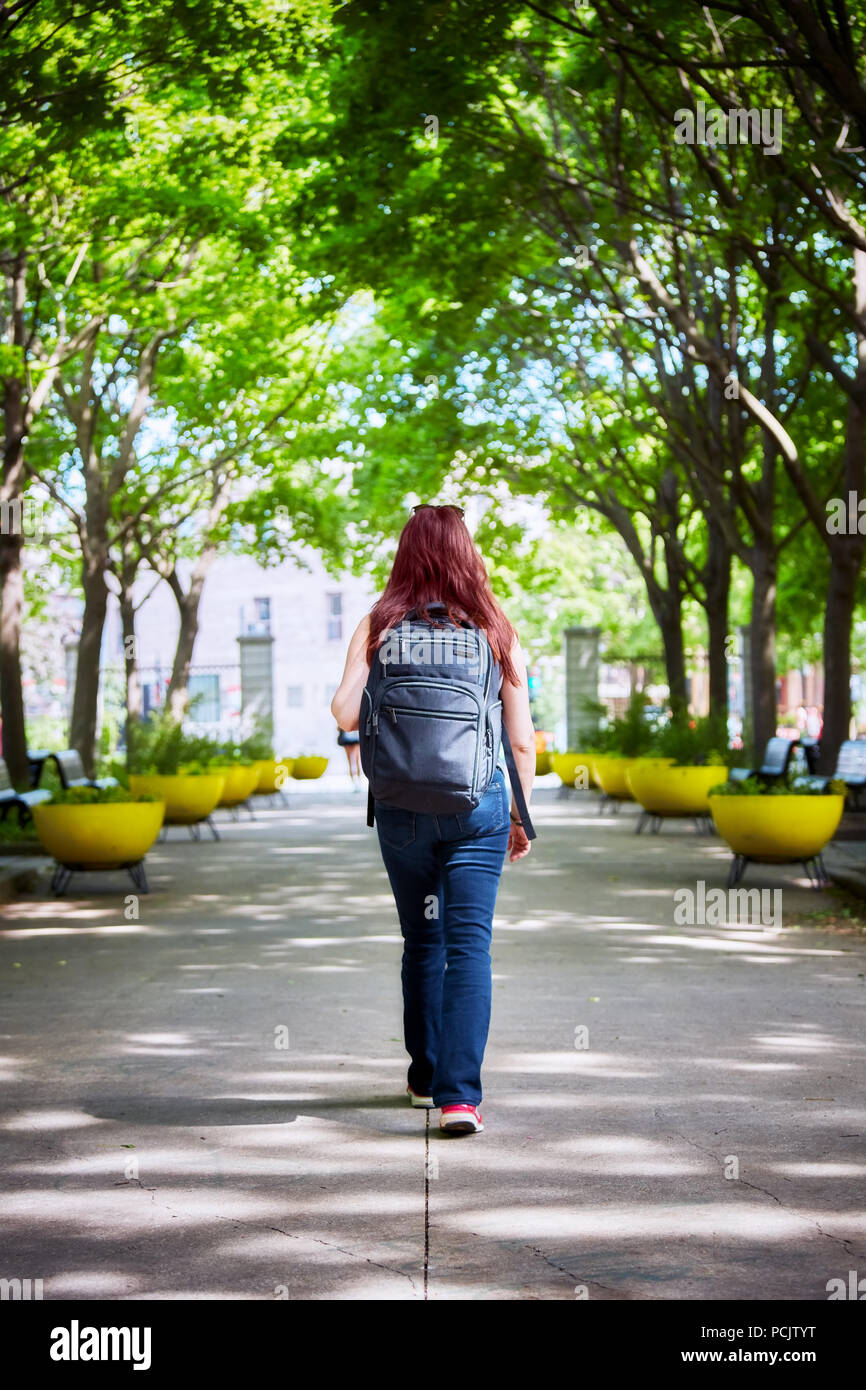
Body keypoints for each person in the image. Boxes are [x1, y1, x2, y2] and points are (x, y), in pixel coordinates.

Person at [330, 503, 535, 1136]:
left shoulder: (380, 621)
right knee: (470, 946)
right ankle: (459, 1097)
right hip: (477, 806)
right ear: (466, 552)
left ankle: (423, 1076)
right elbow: (520, 738)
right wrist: (518, 816)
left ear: (405, 553)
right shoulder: (494, 624)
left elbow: (342, 713)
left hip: (400, 810)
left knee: (423, 939)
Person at [336, 724, 362, 788]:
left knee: (353, 761)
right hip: (351, 738)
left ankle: (355, 782)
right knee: (355, 761)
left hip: (350, 738)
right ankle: (356, 782)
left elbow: (339, 727)